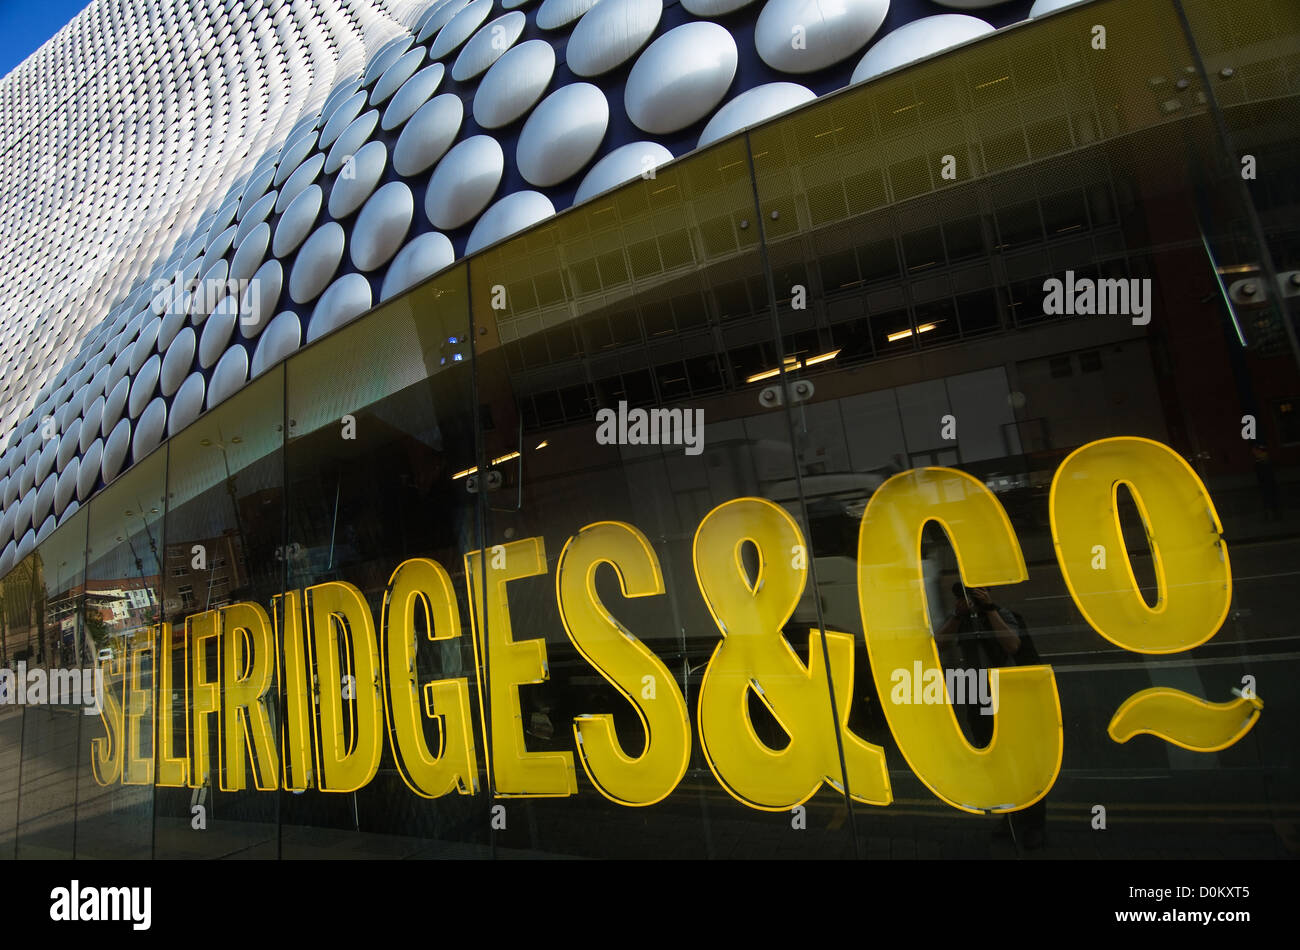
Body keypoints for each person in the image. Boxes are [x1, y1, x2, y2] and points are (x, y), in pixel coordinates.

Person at [934, 581, 1048, 850]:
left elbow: (1012, 645)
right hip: (977, 696)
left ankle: (1033, 824)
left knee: (1024, 762)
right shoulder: (960, 619)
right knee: (997, 763)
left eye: (975, 594)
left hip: (1008, 696)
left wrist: (989, 609)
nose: (970, 599)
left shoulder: (1003, 614)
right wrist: (958, 615)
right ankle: (1010, 817)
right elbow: (938, 643)